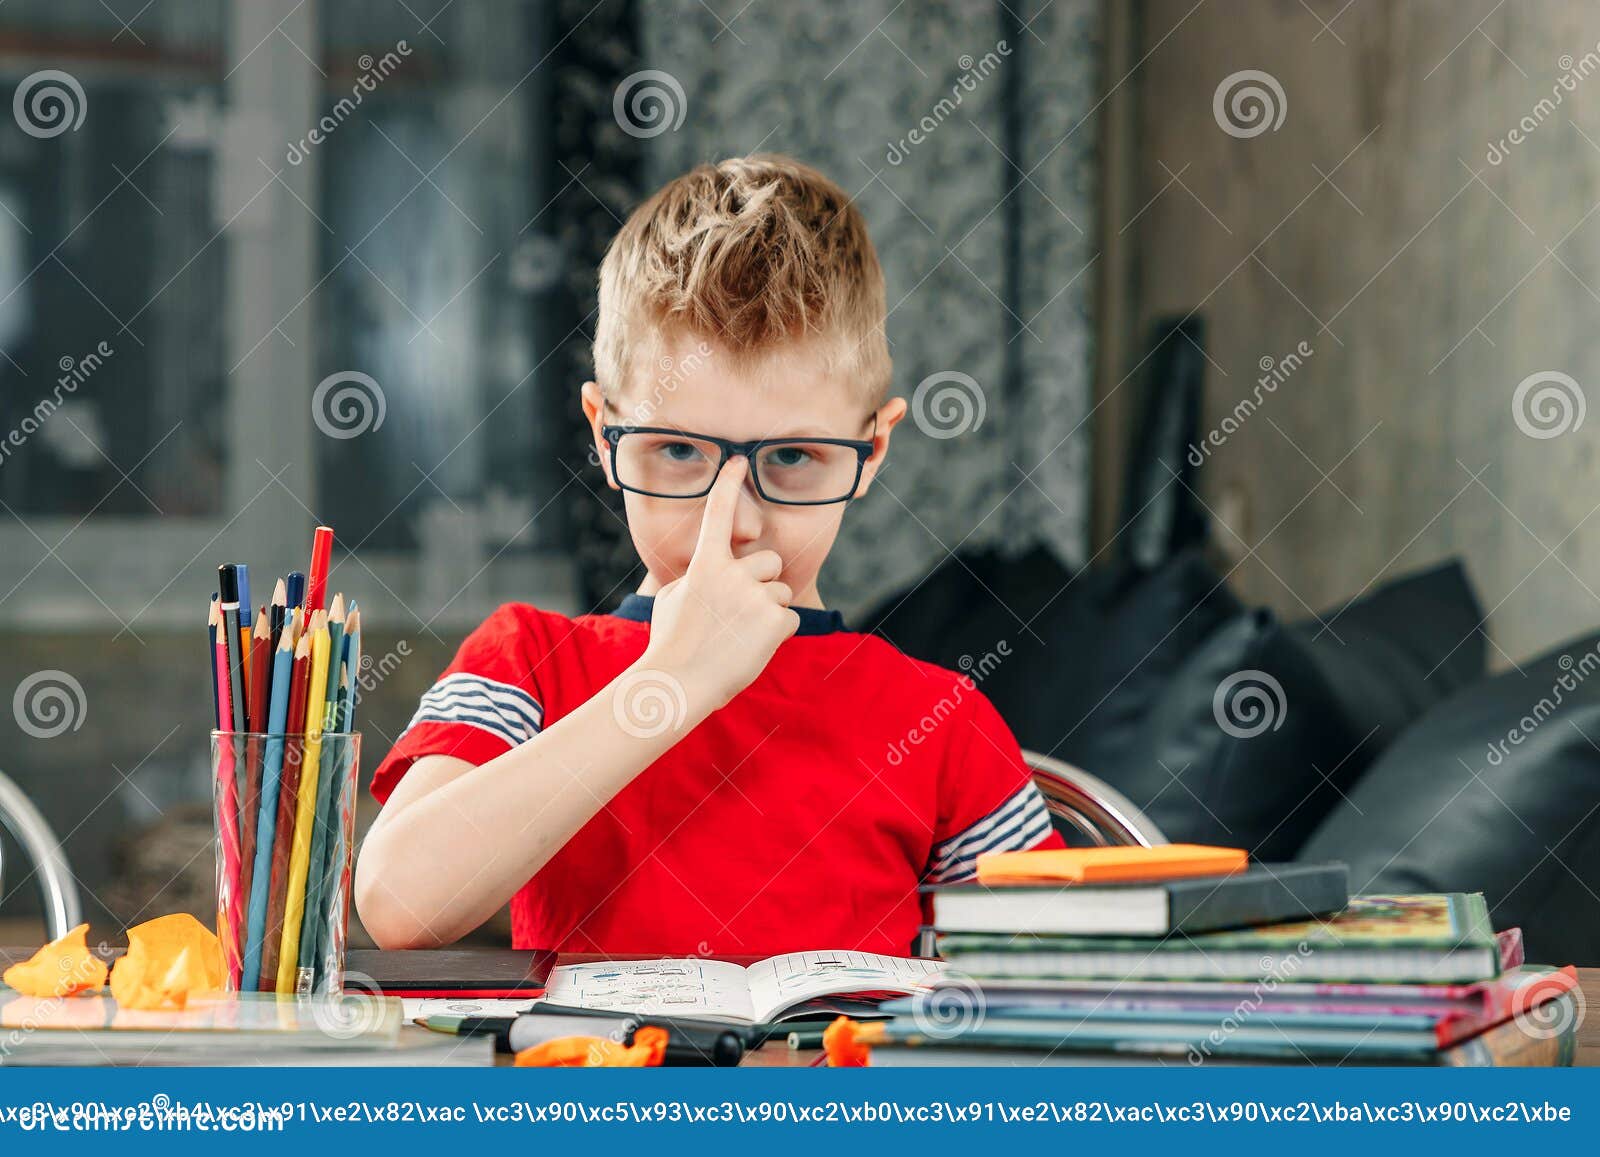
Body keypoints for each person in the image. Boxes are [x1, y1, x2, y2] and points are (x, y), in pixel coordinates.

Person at [354, 154, 1060, 956]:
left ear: (871, 450)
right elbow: (398, 903)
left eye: (793, 458)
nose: (736, 522)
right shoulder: (530, 663)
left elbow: (1045, 994)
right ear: (602, 432)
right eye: (680, 451)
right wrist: (668, 685)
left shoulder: (944, 724)